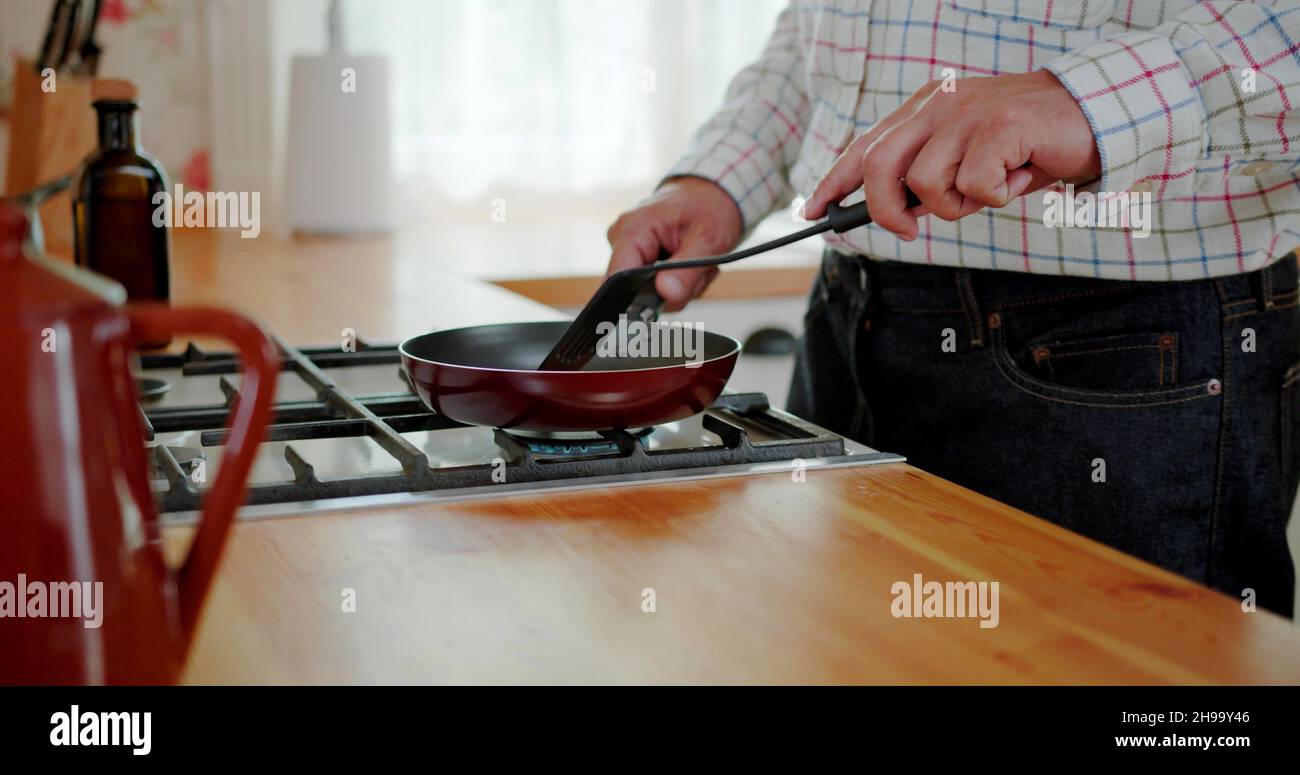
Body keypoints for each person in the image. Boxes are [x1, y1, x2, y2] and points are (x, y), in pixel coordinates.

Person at [605, 1, 1300, 616]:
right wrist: (720, 177)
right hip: (847, 325)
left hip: (1126, 359)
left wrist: (1083, 100)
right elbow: (830, 30)